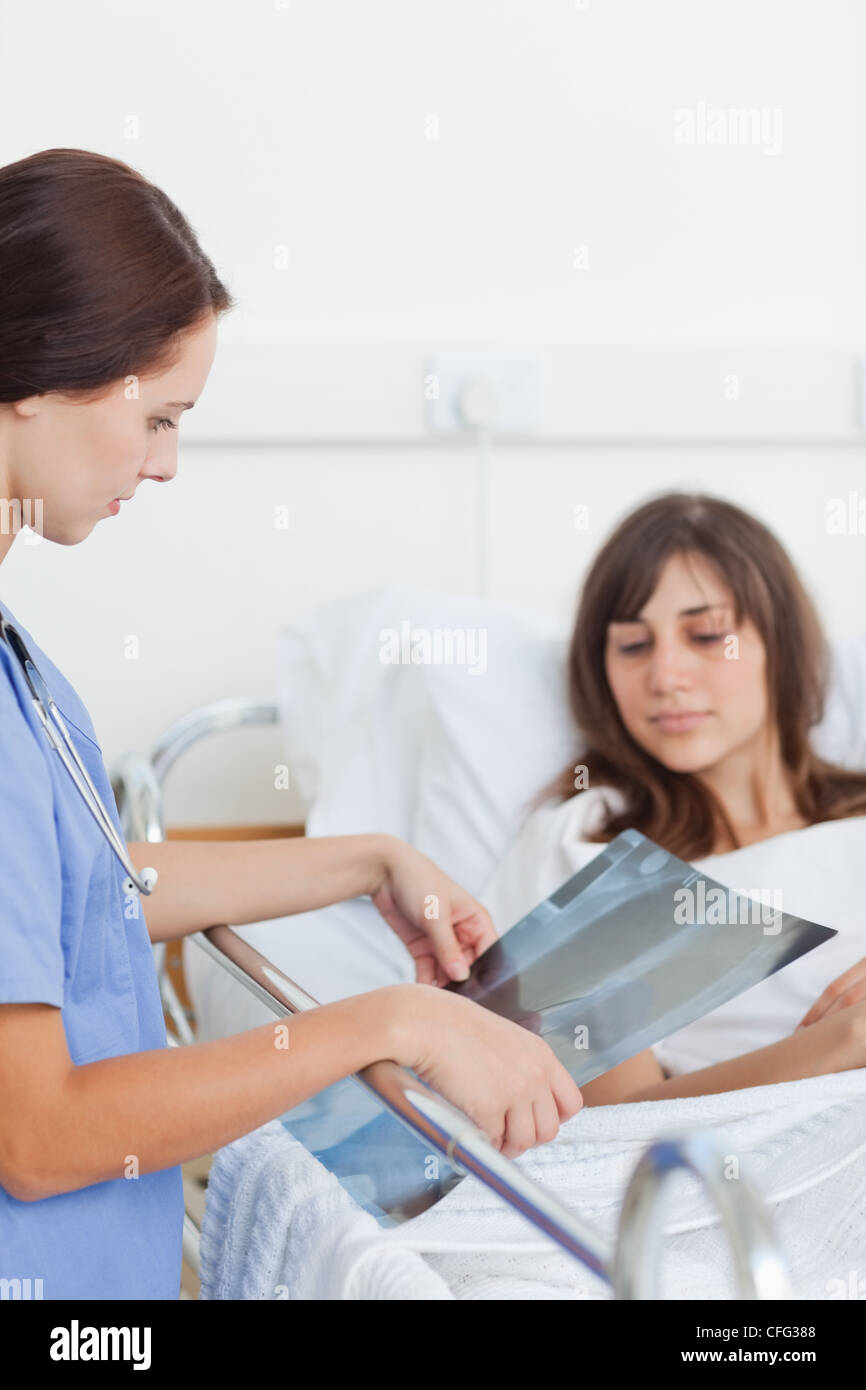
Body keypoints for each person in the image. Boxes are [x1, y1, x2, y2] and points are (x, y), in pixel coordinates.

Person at [0, 148, 582, 1300]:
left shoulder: (23, 663)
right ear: (33, 372)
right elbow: (41, 1133)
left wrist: (371, 858)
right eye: (158, 418)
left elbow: (86, 887)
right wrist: (392, 1022)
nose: (164, 466)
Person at [478, 492, 866, 1105]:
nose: (665, 676)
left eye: (707, 636)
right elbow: (609, 1126)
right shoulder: (585, 843)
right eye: (633, 646)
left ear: (782, 646)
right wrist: (839, 1045)